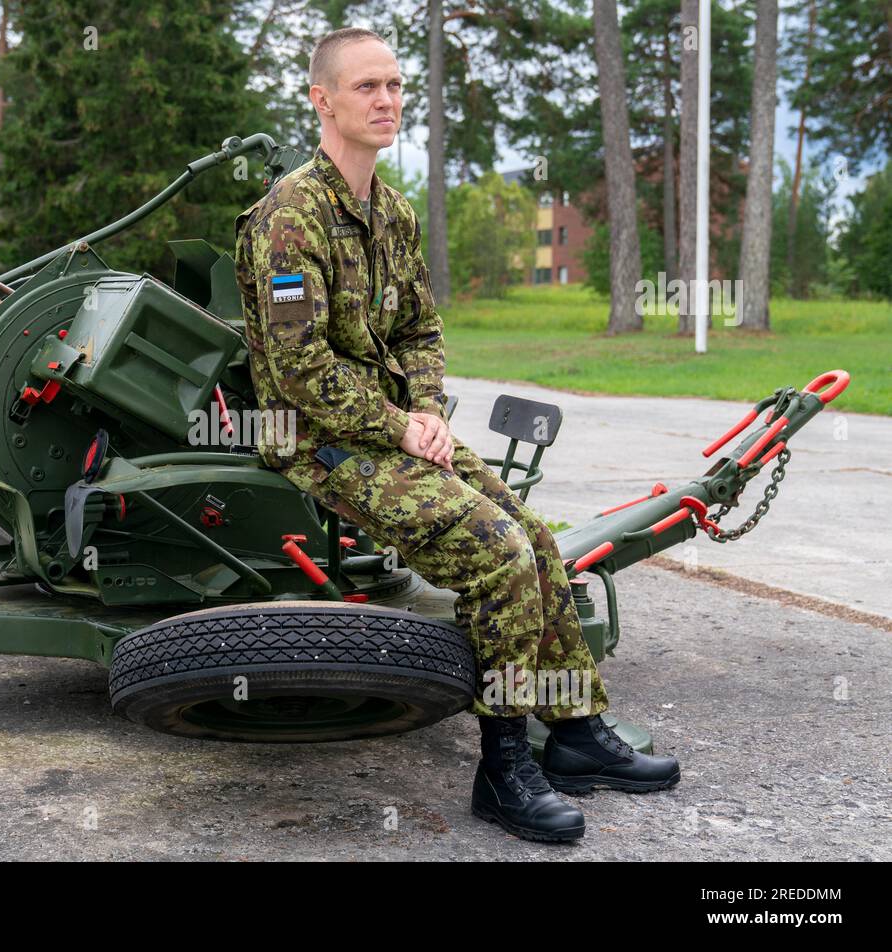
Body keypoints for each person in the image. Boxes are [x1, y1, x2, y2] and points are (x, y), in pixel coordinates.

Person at [234, 27, 679, 843]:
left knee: (537, 540)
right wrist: (398, 423)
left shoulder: (391, 213)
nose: (387, 100)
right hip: (321, 445)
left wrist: (429, 409)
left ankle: (573, 732)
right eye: (366, 87)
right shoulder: (287, 221)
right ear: (320, 100)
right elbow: (298, 369)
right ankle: (505, 768)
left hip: (397, 433)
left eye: (397, 86)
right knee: (497, 556)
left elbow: (420, 332)